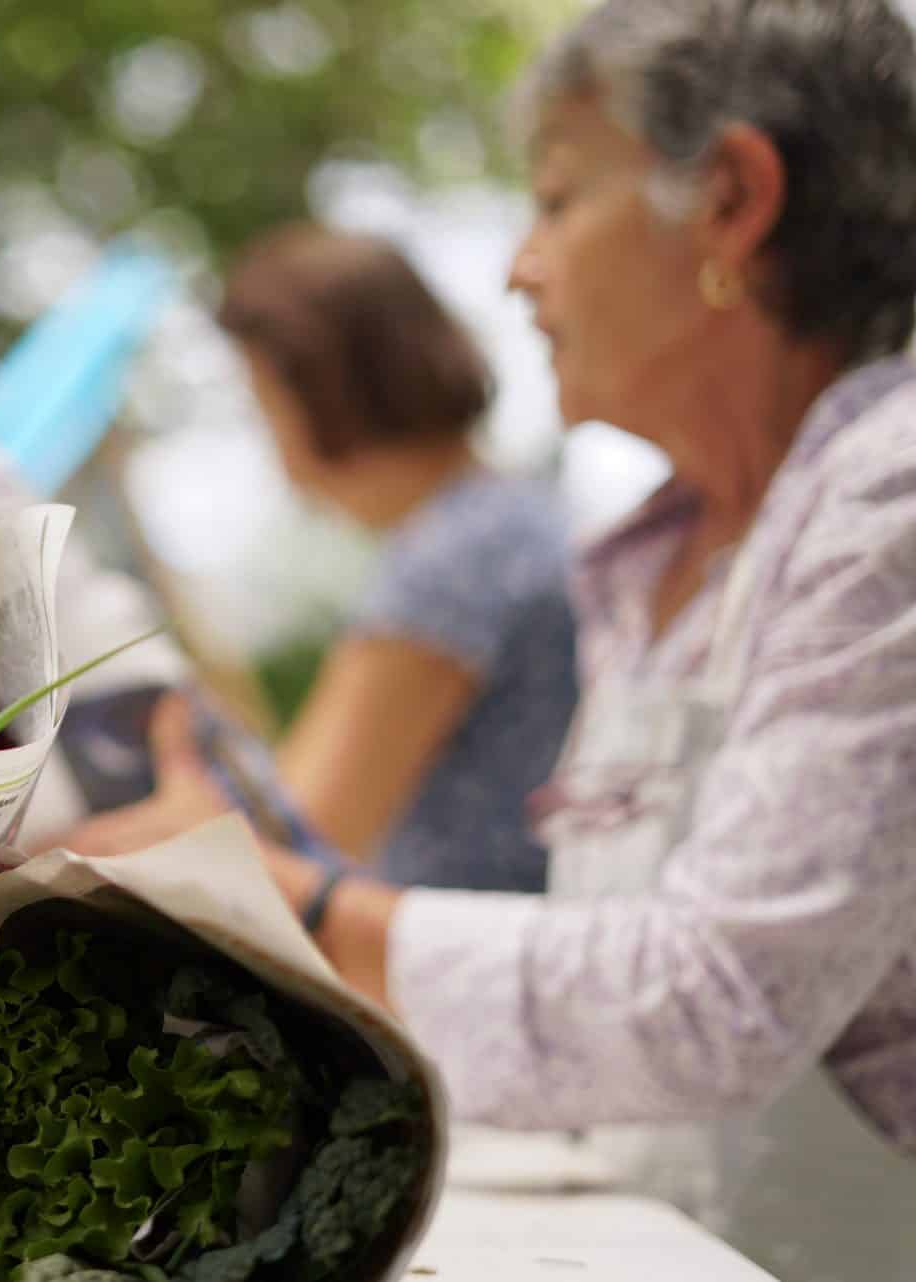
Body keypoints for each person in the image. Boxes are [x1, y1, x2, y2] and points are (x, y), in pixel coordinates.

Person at [71, 1, 916, 1276]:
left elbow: (716, 1000)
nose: (520, 267)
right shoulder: (645, 557)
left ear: (734, 201)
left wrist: (292, 896)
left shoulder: (892, 494)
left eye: (561, 200)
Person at [61, 225, 579, 893]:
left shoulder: (457, 558)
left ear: (320, 390)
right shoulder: (510, 518)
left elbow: (299, 839)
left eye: (261, 399)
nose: (264, 433)